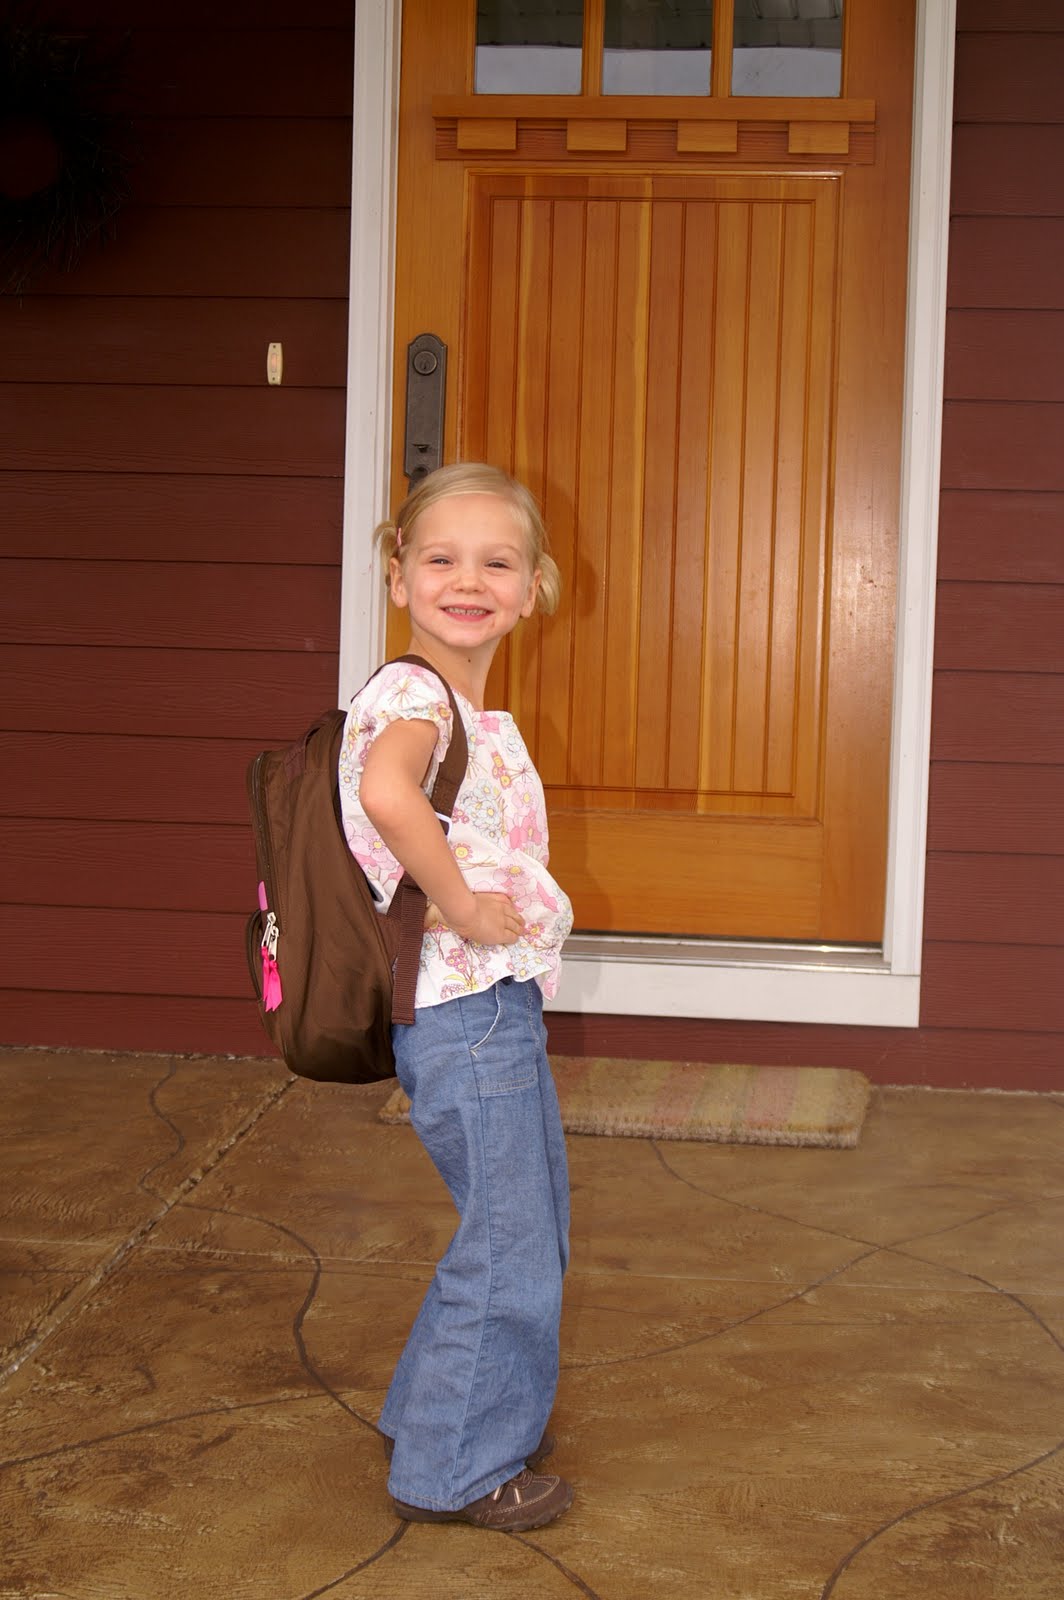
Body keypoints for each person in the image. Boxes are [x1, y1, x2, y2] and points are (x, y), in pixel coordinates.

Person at [338, 462, 575, 1532]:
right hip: (463, 1003)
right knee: (510, 1238)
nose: (466, 578)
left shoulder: (454, 700)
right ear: (396, 576)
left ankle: (434, 1411)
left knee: (517, 1220)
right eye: (439, 557)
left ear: (533, 586)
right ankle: (458, 1465)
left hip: (486, 1003)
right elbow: (388, 793)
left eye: (496, 560)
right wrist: (463, 905)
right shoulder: (414, 696)